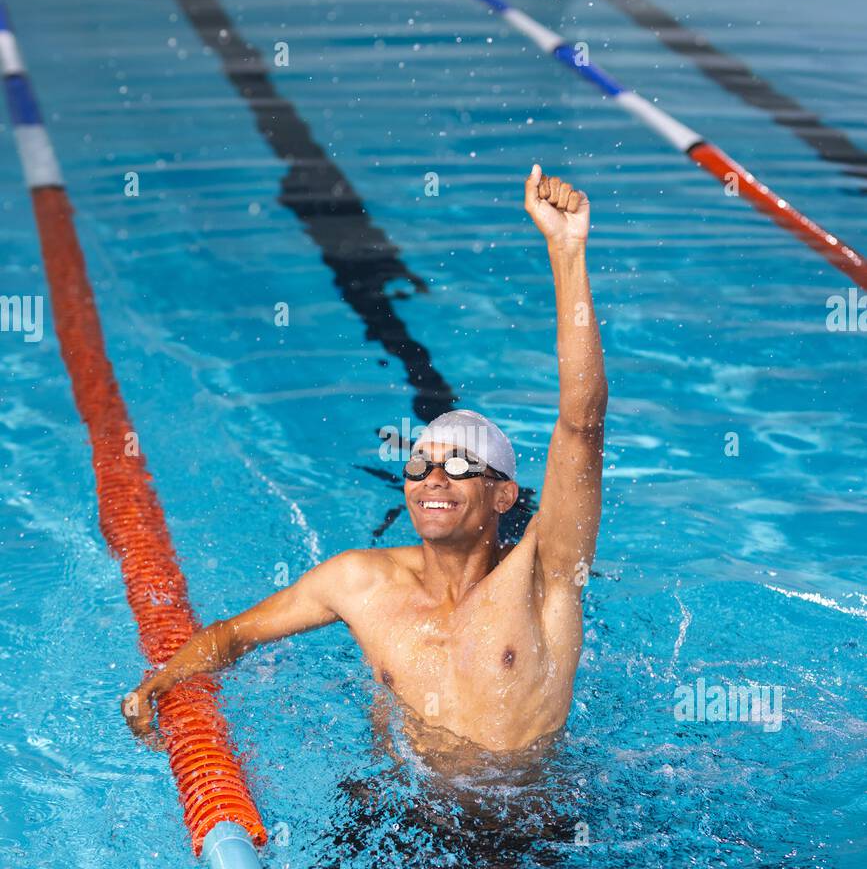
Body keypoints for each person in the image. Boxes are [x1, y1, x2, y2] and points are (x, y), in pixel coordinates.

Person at [122, 165, 607, 755]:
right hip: (395, 819)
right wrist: (163, 681)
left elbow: (580, 427)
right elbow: (231, 636)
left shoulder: (543, 576)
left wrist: (565, 249)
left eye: (458, 467)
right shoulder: (362, 582)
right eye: (420, 466)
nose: (432, 478)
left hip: (524, 830)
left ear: (503, 495)